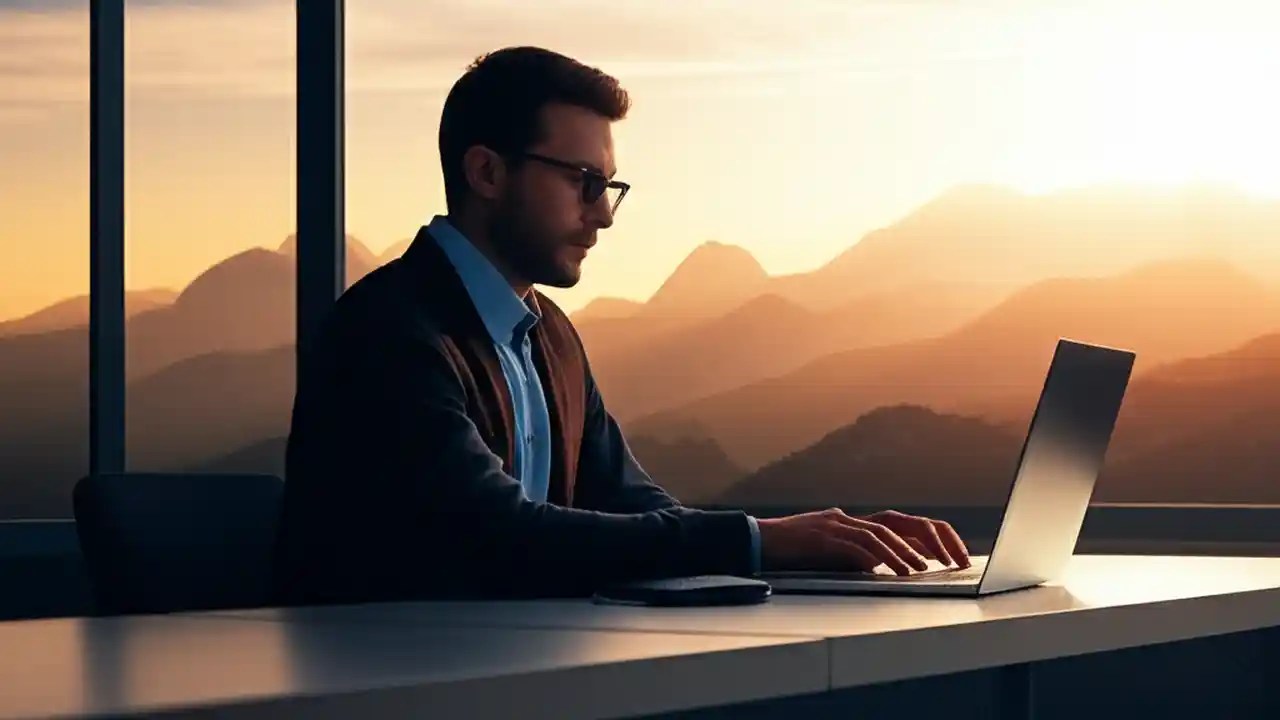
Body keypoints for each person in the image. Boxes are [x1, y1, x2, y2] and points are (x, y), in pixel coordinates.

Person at [274, 46, 969, 605]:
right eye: (583, 180)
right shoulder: (388, 333)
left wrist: (830, 555)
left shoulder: (551, 338)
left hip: (510, 677)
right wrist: (761, 540)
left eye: (608, 187)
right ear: (486, 172)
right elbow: (497, 535)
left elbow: (634, 506)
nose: (603, 214)